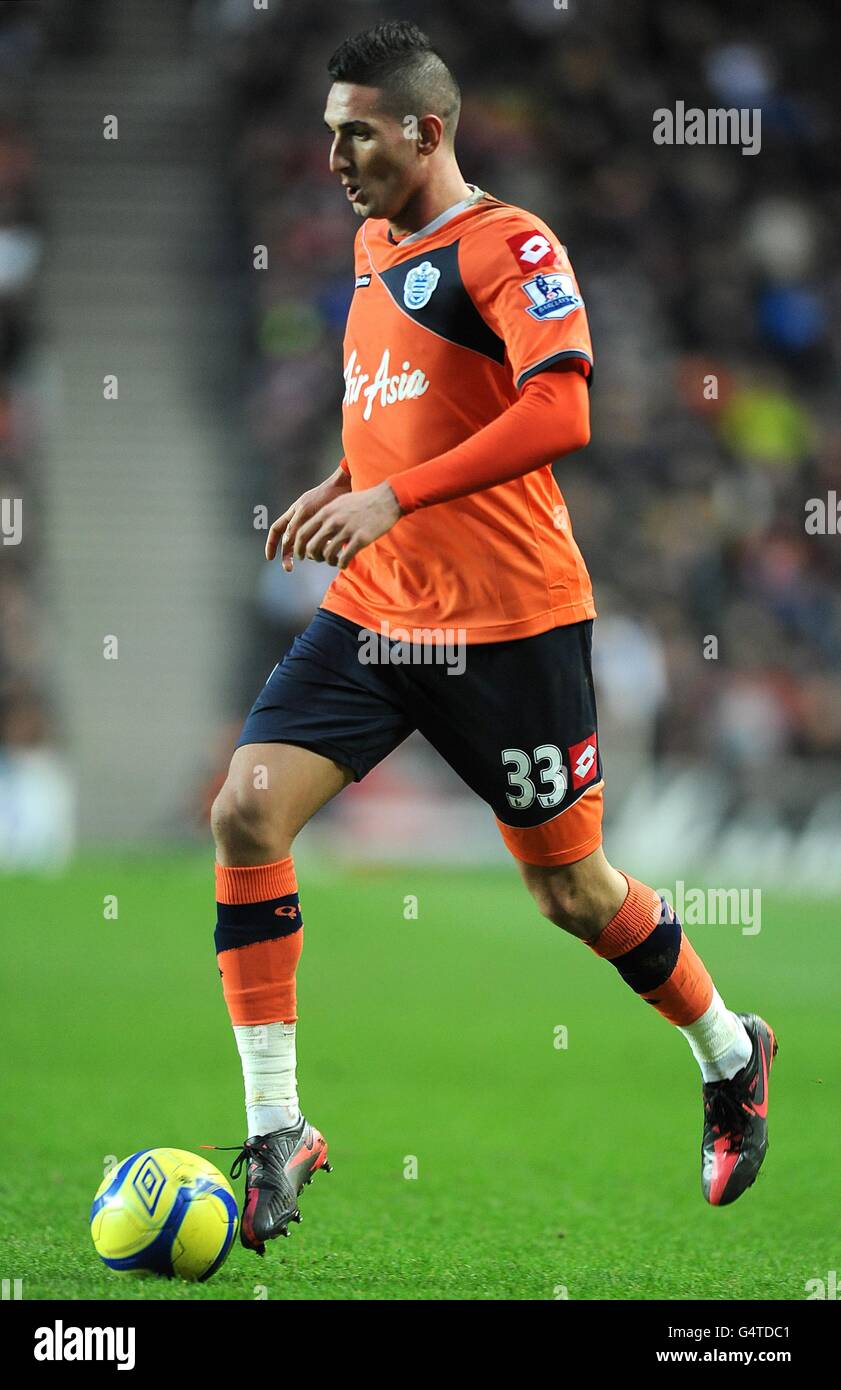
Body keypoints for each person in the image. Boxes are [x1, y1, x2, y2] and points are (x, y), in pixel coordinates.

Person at [209, 21, 777, 1255]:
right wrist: (345, 477)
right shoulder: (369, 246)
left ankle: (729, 1053)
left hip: (511, 626)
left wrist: (392, 496)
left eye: (356, 131)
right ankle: (275, 1128)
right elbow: (407, 407)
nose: (334, 156)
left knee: (570, 891)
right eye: (326, 131)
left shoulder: (509, 245)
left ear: (427, 129)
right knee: (245, 813)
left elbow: (559, 405)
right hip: (375, 613)